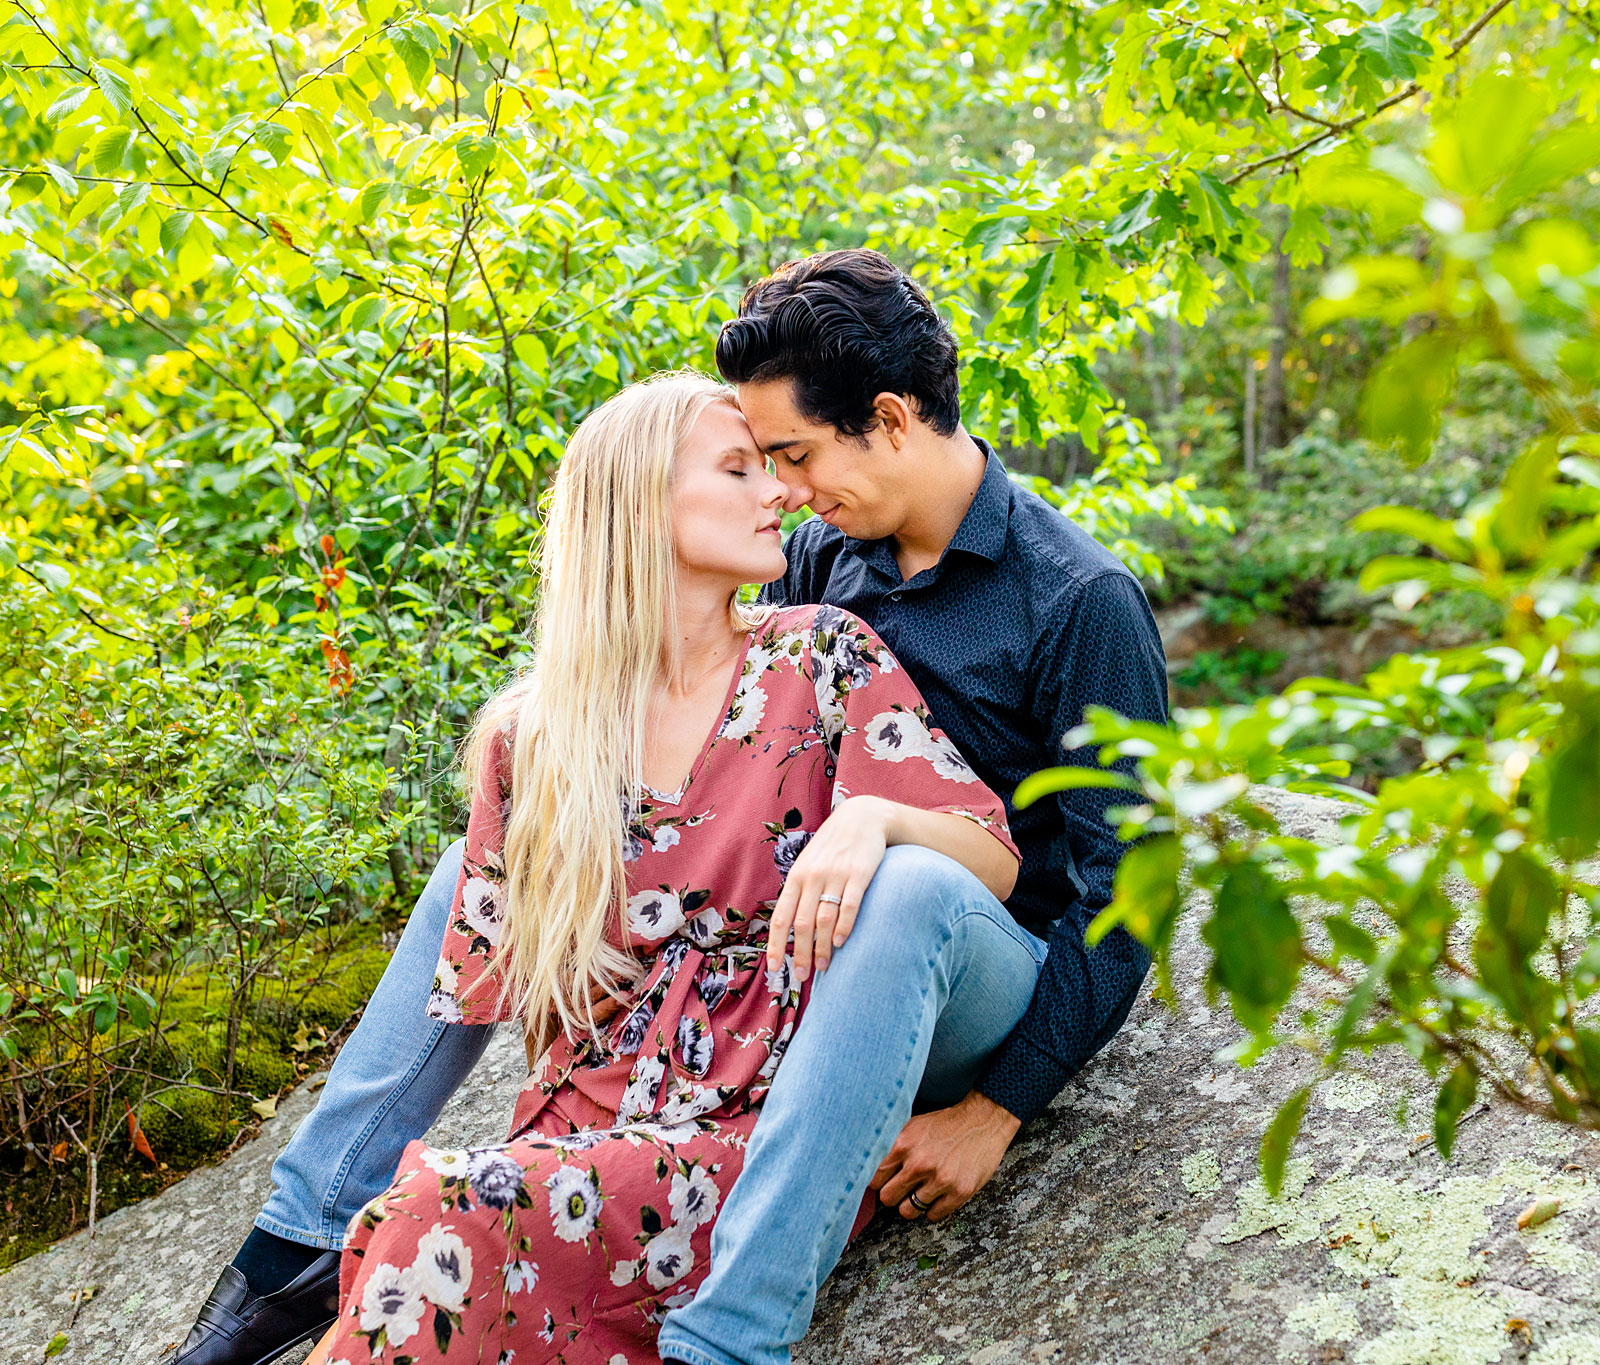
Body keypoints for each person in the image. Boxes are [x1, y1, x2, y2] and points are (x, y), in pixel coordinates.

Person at [167, 248, 1169, 1365]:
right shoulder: (824, 556)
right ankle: (289, 1240)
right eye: (758, 465)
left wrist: (999, 1109)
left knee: (906, 885)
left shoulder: (1078, 600)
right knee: (489, 860)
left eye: (790, 455)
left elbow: (1130, 889)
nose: (782, 490)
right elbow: (740, 731)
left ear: (889, 419)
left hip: (953, 970)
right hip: (796, 963)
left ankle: (731, 1339)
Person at [296, 369, 1021, 1363]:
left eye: (773, 467)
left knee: (440, 1212)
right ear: (636, 503)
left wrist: (879, 821)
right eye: (738, 469)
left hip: (767, 1143)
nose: (780, 493)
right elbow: (509, 1000)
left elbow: (986, 859)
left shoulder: (818, 658)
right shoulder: (535, 738)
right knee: (414, 1233)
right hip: (601, 1132)